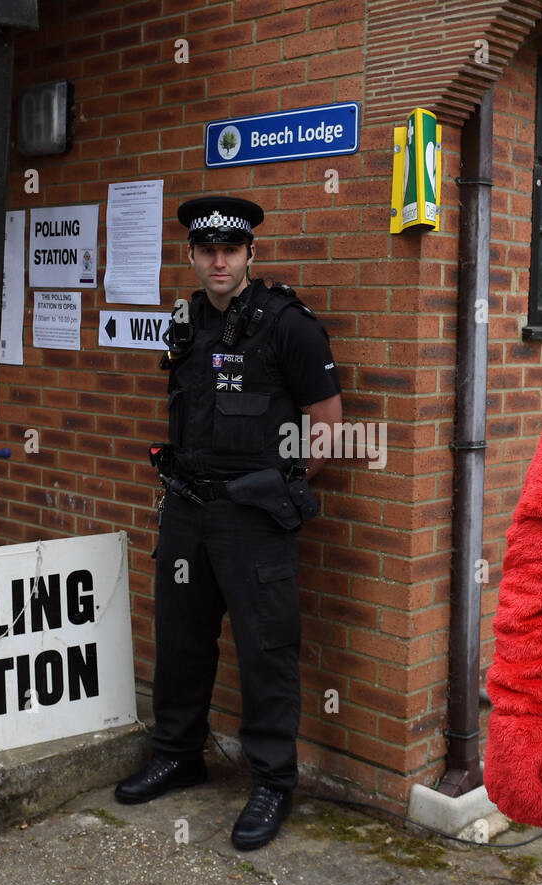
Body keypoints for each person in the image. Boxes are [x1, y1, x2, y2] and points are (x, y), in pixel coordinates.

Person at [115, 195, 343, 850]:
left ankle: (272, 780)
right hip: (188, 510)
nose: (219, 260)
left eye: (231, 249)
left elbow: (325, 426)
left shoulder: (288, 325)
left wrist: (286, 489)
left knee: (266, 650)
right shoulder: (185, 323)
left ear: (250, 254)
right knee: (181, 640)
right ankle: (178, 753)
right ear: (190, 255)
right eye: (207, 249)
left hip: (253, 519)